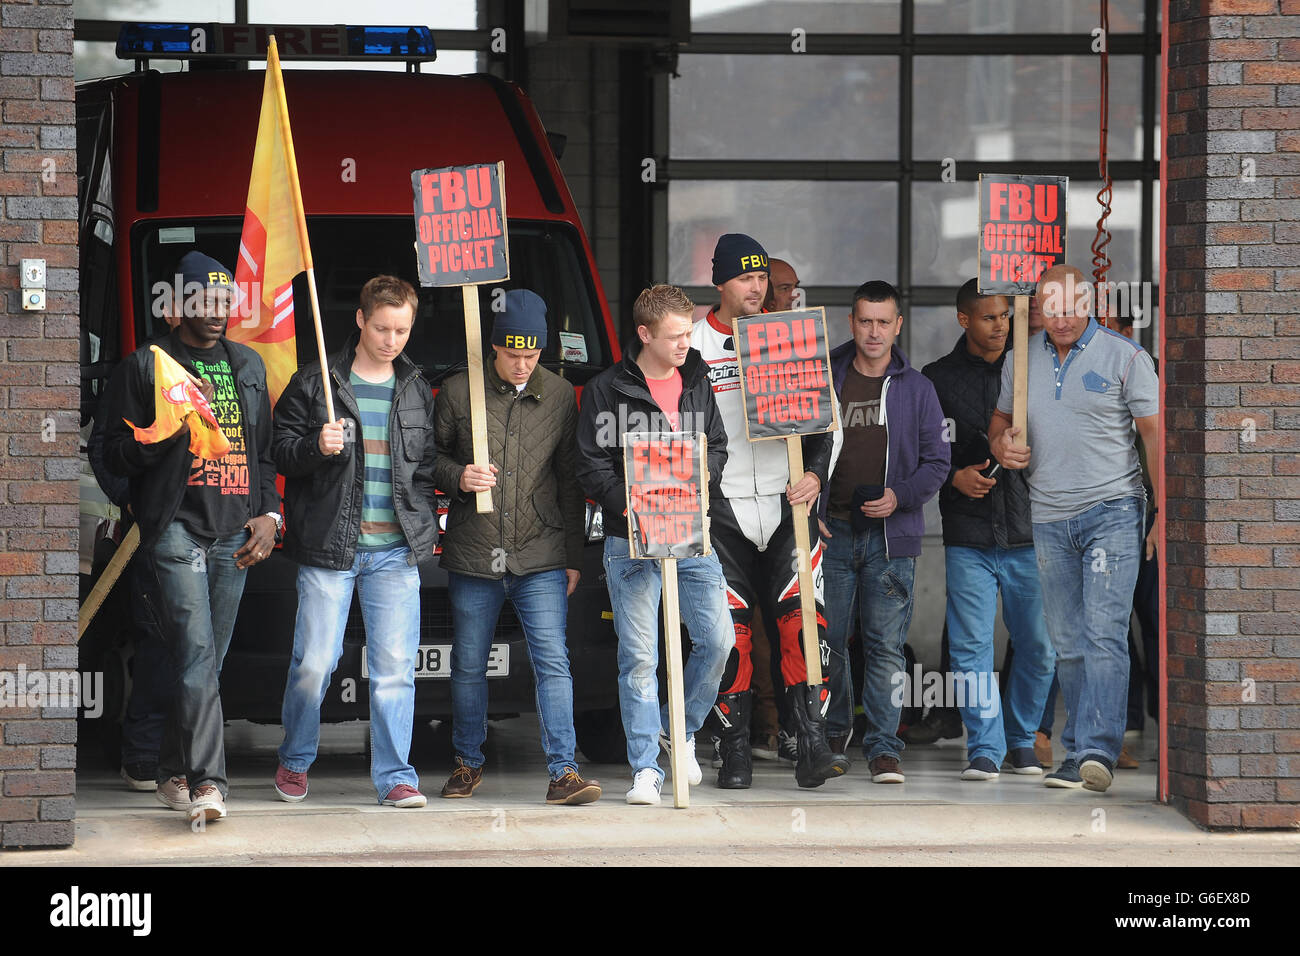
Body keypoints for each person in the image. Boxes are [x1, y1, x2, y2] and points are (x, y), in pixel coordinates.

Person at [102, 251, 281, 824]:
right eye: (201, 301)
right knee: (198, 652)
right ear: (175, 305)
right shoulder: (147, 365)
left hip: (235, 533)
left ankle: (173, 771)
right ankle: (208, 783)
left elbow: (266, 453)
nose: (215, 312)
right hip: (176, 530)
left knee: (206, 658)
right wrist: (145, 465)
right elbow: (109, 451)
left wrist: (269, 516)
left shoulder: (247, 365)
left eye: (223, 301)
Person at [990, 264, 1159, 792]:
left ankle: (1097, 751)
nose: (1062, 317)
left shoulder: (1126, 356)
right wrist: (1000, 444)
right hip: (1049, 515)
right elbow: (999, 421)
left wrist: (1164, 516)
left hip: (1113, 510)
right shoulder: (1020, 358)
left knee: (1104, 632)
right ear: (1038, 306)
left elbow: (1156, 438)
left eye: (1072, 306)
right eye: (1051, 306)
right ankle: (1078, 749)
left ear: (1091, 302)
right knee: (1065, 640)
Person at [271, 275, 436, 809]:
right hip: (329, 547)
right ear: (360, 320)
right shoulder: (315, 381)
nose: (392, 340)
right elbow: (280, 452)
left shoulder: (414, 385)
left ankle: (396, 777)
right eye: (383, 327)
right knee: (314, 662)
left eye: (402, 330)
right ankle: (295, 759)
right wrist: (317, 445)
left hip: (395, 551)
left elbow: (426, 466)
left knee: (394, 671)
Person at [433, 289, 601, 805]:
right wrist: (459, 475)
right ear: (494, 348)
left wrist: (574, 555)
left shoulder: (558, 394)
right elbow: (426, 461)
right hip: (473, 549)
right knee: (468, 662)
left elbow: (570, 481)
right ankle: (467, 763)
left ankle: (564, 772)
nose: (523, 365)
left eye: (532, 355)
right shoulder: (460, 392)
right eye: (513, 355)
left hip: (541, 551)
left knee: (553, 660)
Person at [691, 234, 845, 790]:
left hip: (786, 506)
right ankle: (733, 752)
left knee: (803, 626)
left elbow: (829, 424)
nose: (756, 287)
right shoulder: (690, 345)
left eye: (762, 278)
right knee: (728, 636)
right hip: (721, 510)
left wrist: (815, 476)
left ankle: (811, 743)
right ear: (721, 284)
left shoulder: (792, 339)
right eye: (744, 278)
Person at [576, 284, 734, 805]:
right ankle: (645, 767)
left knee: (717, 642)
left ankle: (681, 728)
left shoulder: (698, 380)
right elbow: (590, 465)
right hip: (630, 538)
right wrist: (637, 502)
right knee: (639, 658)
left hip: (693, 533)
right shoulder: (606, 389)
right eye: (675, 336)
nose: (686, 344)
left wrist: (699, 484)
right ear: (644, 334)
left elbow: (717, 446)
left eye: (689, 333)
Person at [921, 279, 1055, 780]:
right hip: (968, 530)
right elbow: (924, 452)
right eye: (988, 317)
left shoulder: (1037, 366)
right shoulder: (935, 379)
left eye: (1005, 315)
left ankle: (1021, 739)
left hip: (1030, 528)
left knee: (1040, 645)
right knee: (971, 646)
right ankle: (984, 745)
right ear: (964, 320)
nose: (1000, 325)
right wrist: (954, 475)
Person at [818, 280, 949, 784]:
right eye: (865, 321)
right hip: (832, 533)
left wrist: (900, 496)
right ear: (851, 323)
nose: (873, 332)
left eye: (883, 322)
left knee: (885, 645)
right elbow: (798, 443)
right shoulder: (825, 375)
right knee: (827, 640)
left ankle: (884, 747)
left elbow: (939, 462)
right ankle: (833, 737)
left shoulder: (917, 388)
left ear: (898, 325)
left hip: (892, 539)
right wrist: (815, 511)